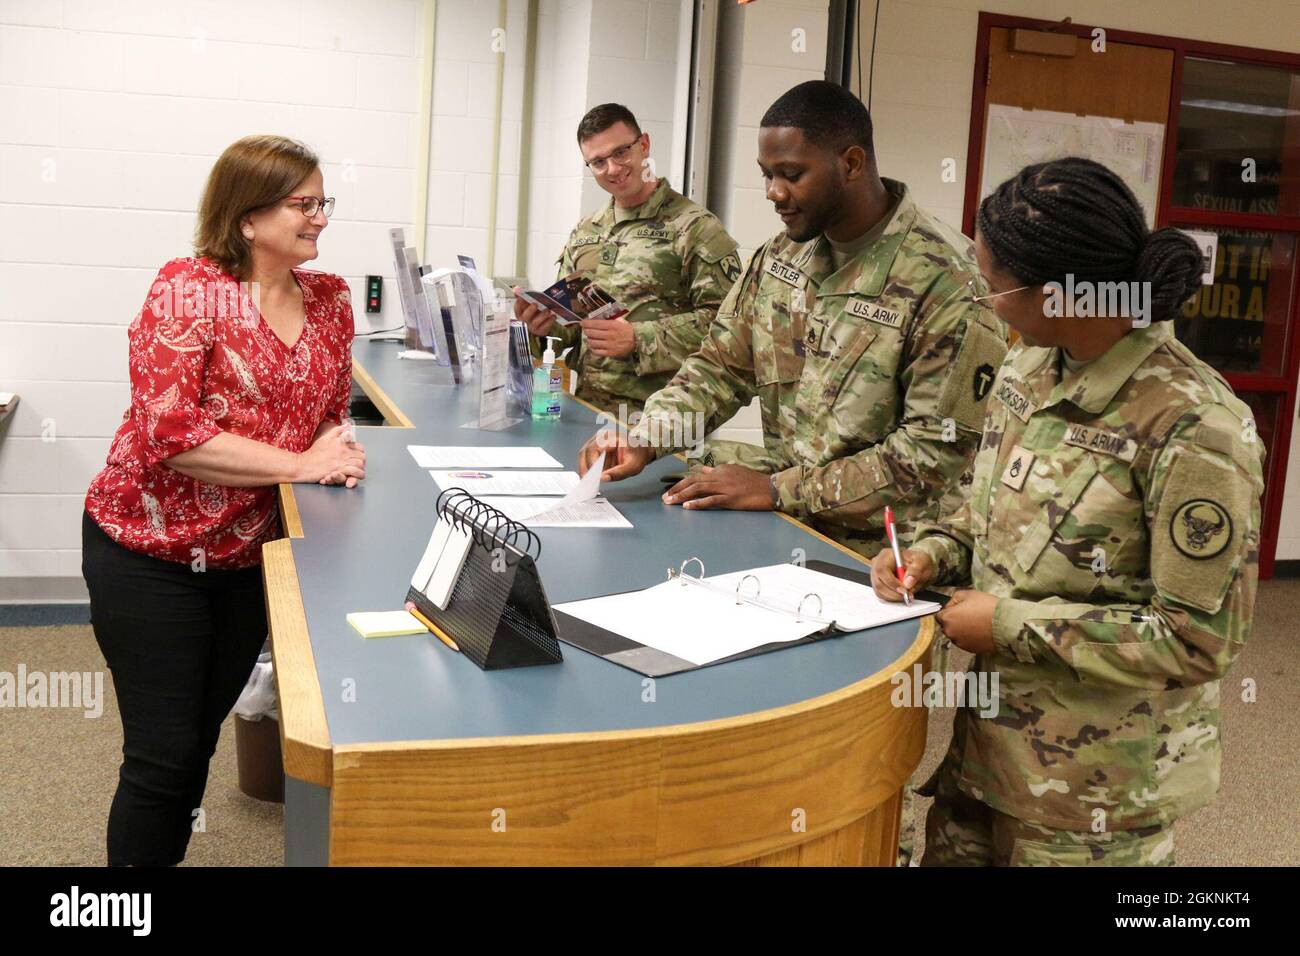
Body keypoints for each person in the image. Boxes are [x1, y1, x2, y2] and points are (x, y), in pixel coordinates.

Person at [871, 157, 1265, 866]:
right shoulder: (1029, 369)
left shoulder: (1195, 425)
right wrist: (933, 550)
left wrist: (1007, 626)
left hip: (1093, 801)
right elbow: (981, 504)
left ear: (1058, 296)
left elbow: (1197, 640)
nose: (982, 299)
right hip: (986, 753)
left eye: (992, 285)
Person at [82, 134, 366, 866]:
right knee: (163, 758)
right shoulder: (187, 290)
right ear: (247, 217)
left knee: (199, 741)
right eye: (303, 204)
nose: (320, 218)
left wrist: (335, 446)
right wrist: (305, 462)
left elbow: (331, 408)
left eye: (321, 202)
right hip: (151, 552)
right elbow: (172, 436)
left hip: (245, 558)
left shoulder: (331, 300)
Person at [577, 80, 1007, 559]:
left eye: (791, 174)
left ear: (851, 163)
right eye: (766, 175)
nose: (773, 193)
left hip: (887, 558)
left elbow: (931, 454)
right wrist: (646, 438)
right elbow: (720, 366)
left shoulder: (946, 279)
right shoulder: (782, 256)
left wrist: (781, 490)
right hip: (789, 533)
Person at [514, 103, 741, 415]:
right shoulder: (587, 229)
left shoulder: (696, 227)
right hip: (588, 409)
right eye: (598, 162)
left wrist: (639, 338)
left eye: (621, 152)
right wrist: (539, 326)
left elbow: (730, 329)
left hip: (661, 422)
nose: (612, 168)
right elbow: (571, 327)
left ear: (644, 145)